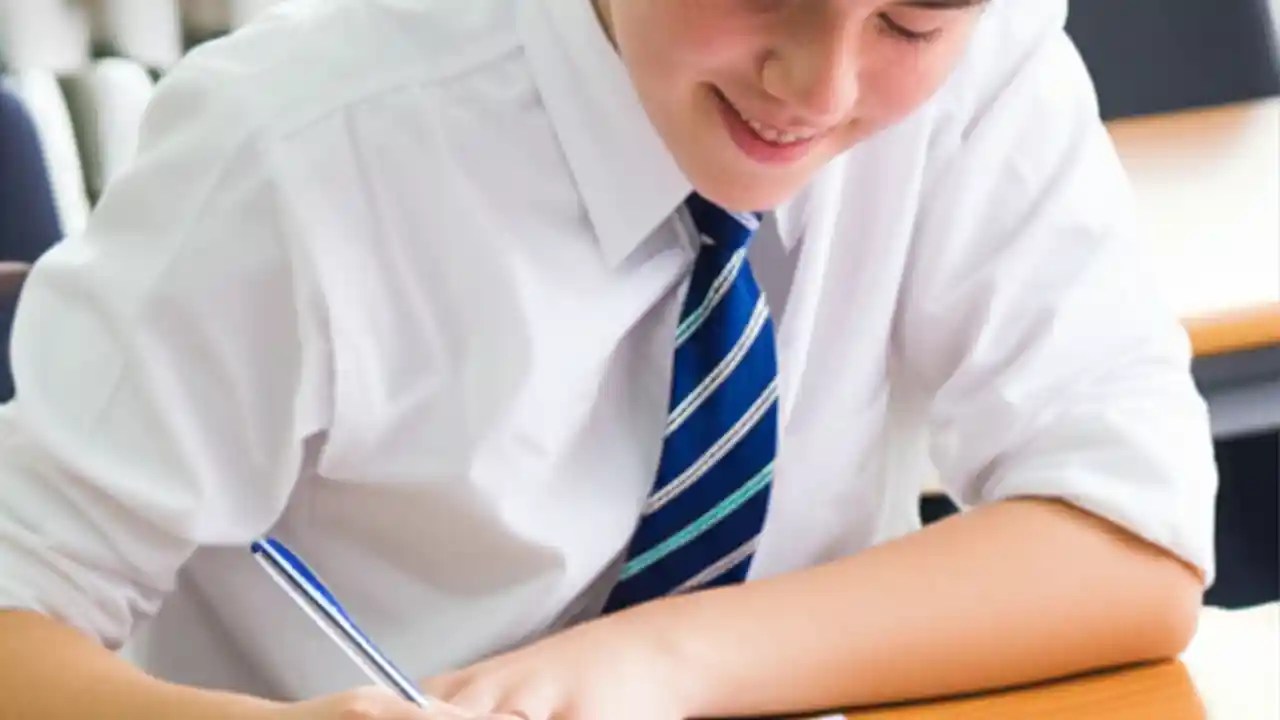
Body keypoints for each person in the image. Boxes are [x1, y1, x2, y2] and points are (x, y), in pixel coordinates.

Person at [0, 0, 1217, 718]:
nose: (821, 83)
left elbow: (1133, 538)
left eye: (908, 18)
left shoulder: (983, 73)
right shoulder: (298, 153)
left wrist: (645, 667)